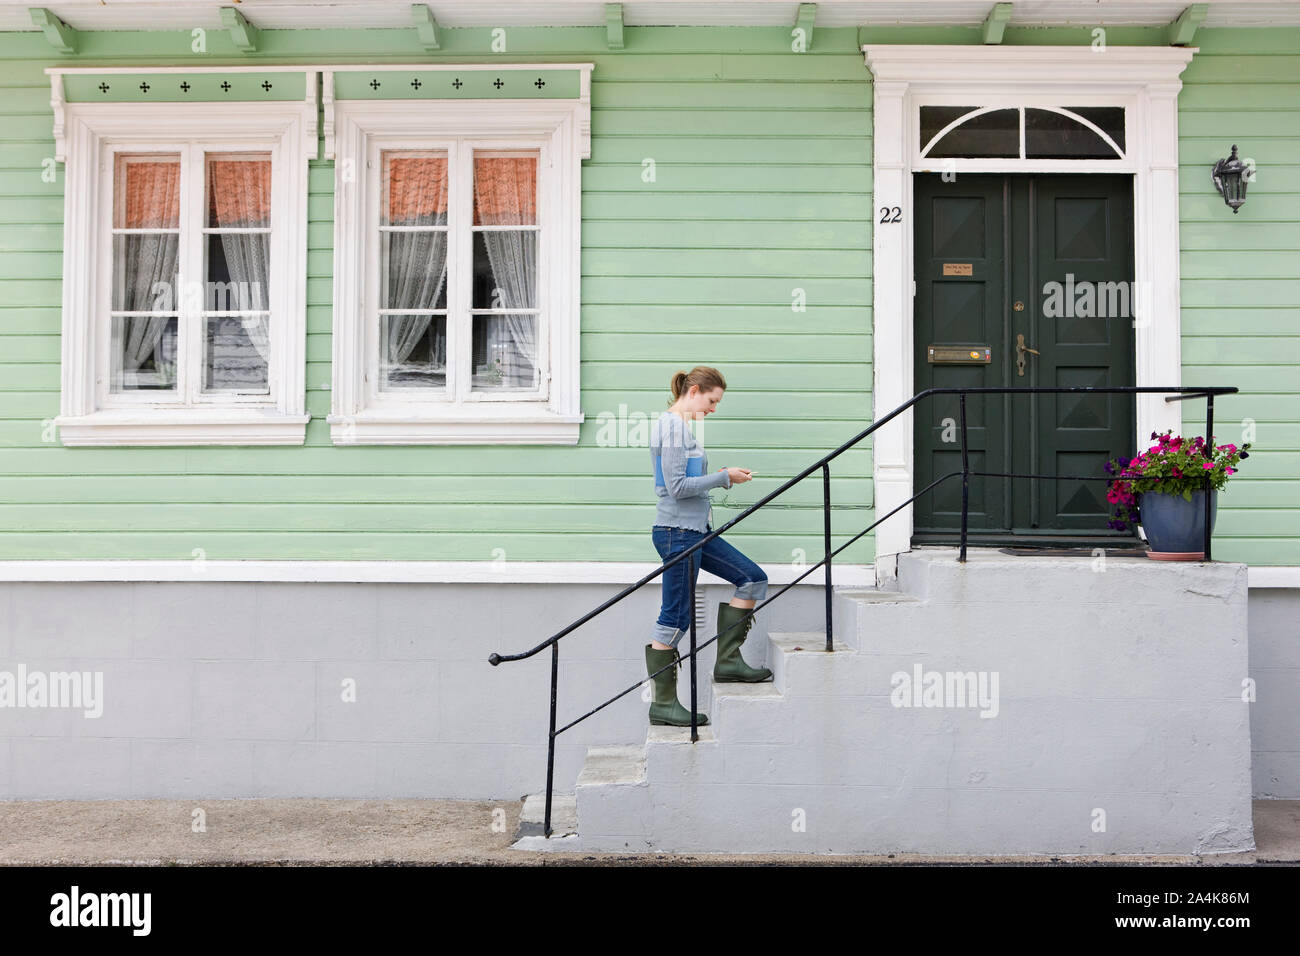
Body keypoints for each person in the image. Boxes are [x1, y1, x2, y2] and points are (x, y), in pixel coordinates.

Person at [645, 365, 772, 728]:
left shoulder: (681, 428)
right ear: (696, 390)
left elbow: (685, 481)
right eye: (712, 401)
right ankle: (664, 705)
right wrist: (724, 477)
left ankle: (728, 662)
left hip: (694, 530)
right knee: (675, 616)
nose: (714, 409)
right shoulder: (671, 427)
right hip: (676, 532)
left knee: (751, 578)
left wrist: (723, 476)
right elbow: (676, 487)